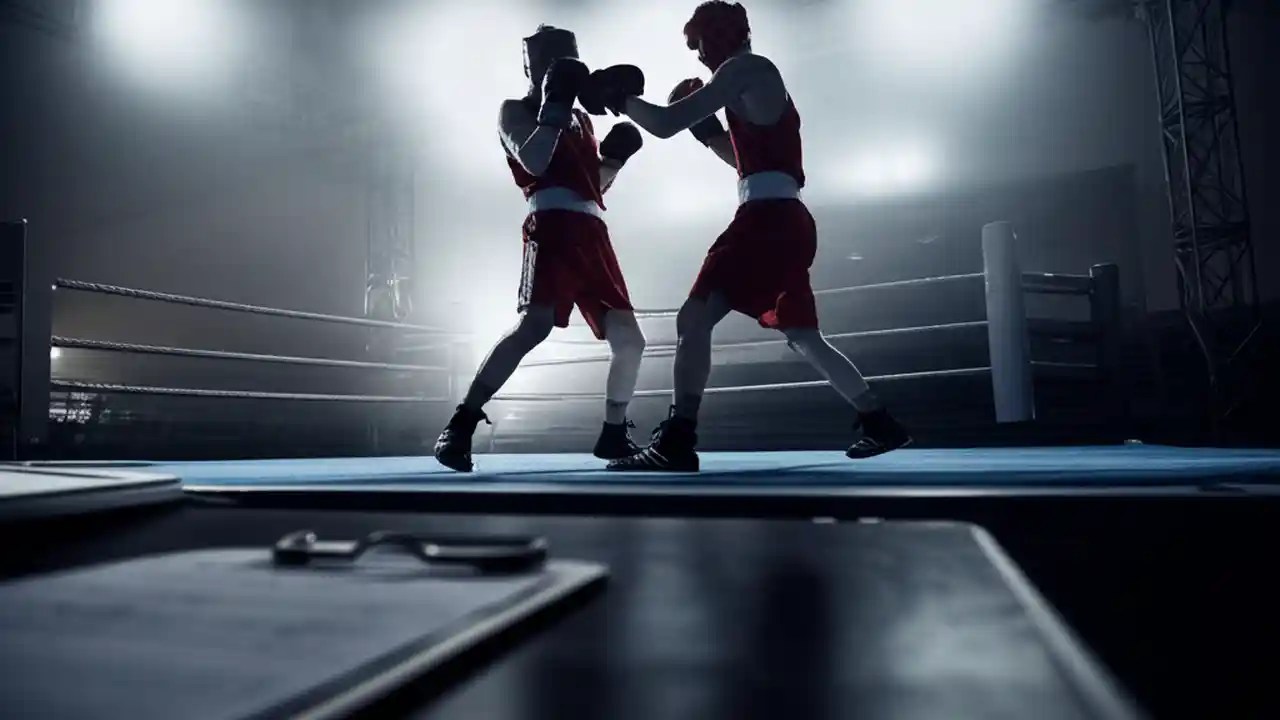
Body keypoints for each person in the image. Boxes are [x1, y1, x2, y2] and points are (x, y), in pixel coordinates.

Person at [586, 2, 911, 472]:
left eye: (698, 45)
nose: (698, 58)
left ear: (715, 37)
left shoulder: (745, 68)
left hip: (765, 219)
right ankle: (879, 420)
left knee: (693, 320)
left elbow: (661, 125)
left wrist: (620, 99)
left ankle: (678, 438)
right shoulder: (752, 79)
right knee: (801, 333)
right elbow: (746, 164)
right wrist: (709, 134)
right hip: (785, 216)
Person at [433, 25, 647, 472]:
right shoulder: (516, 109)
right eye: (550, 57)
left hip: (592, 230)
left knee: (629, 339)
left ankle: (613, 433)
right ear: (531, 64)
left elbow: (594, 187)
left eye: (565, 56)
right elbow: (534, 162)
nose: (558, 64)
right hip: (550, 225)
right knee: (534, 328)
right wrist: (553, 107)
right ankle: (461, 423)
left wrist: (614, 160)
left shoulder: (583, 119)